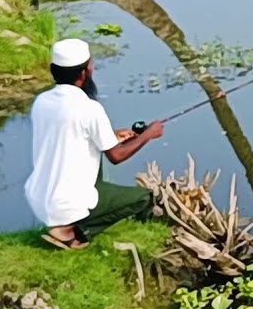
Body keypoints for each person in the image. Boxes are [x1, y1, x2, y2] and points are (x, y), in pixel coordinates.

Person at [25, 38, 165, 250]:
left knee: (97, 158)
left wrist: (111, 136)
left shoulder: (42, 101)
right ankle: (72, 233)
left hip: (40, 198)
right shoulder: (89, 108)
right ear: (83, 74)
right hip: (66, 205)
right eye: (91, 65)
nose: (93, 69)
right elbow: (116, 157)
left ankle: (66, 225)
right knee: (144, 198)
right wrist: (148, 134)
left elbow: (67, 134)